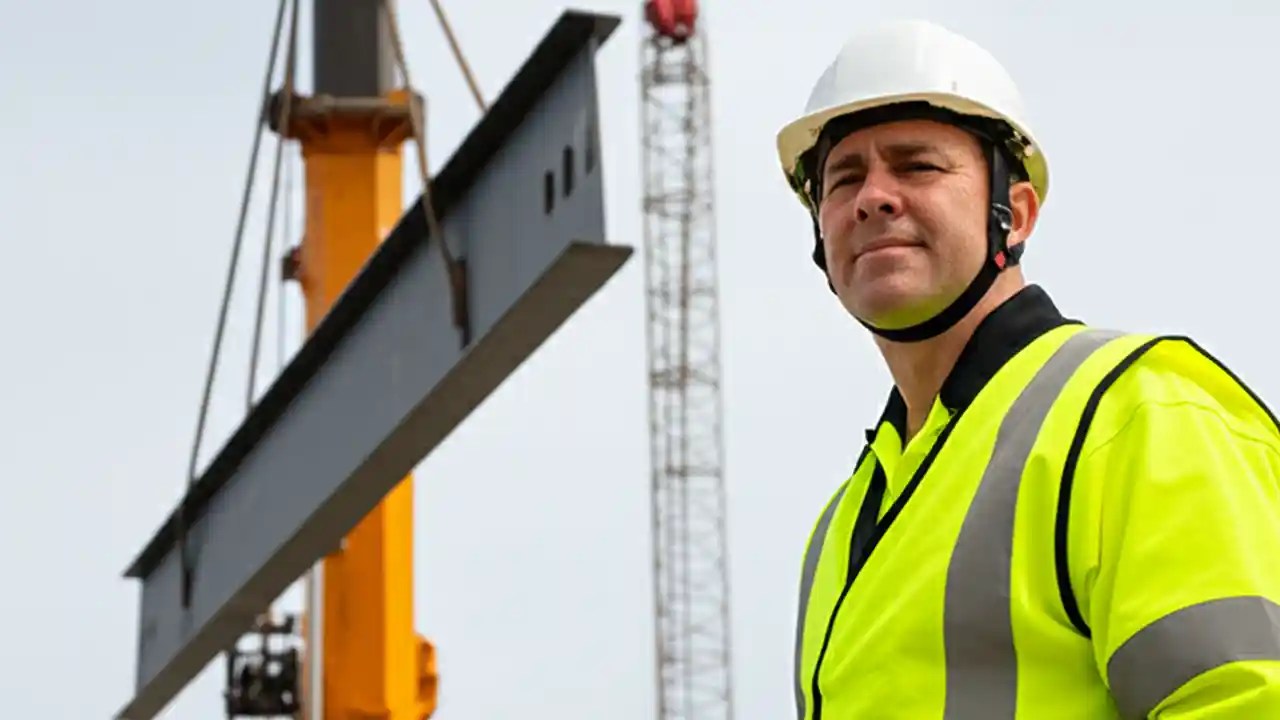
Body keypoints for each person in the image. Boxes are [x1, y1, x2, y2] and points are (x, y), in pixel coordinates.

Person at [774, 18, 1280, 720]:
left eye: (917, 165)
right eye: (844, 177)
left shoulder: (1136, 411)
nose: (873, 197)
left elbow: (1243, 701)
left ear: (1013, 214)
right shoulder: (841, 525)